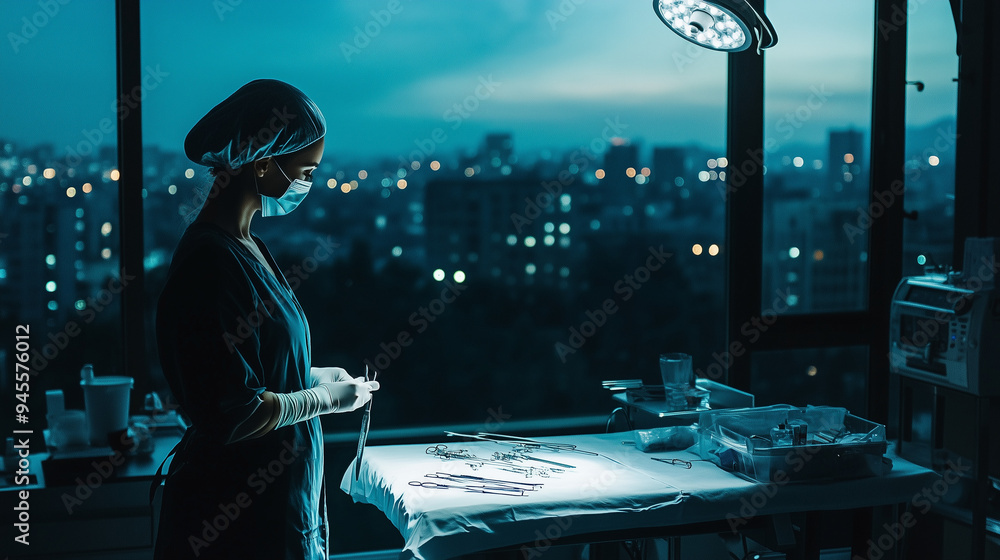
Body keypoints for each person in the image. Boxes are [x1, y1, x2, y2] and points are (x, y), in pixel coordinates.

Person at [152, 79, 379, 560]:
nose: (308, 184)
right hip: (236, 515)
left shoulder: (250, 246)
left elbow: (251, 365)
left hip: (280, 501)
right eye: (305, 171)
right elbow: (233, 413)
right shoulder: (209, 263)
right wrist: (324, 400)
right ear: (261, 162)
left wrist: (313, 377)